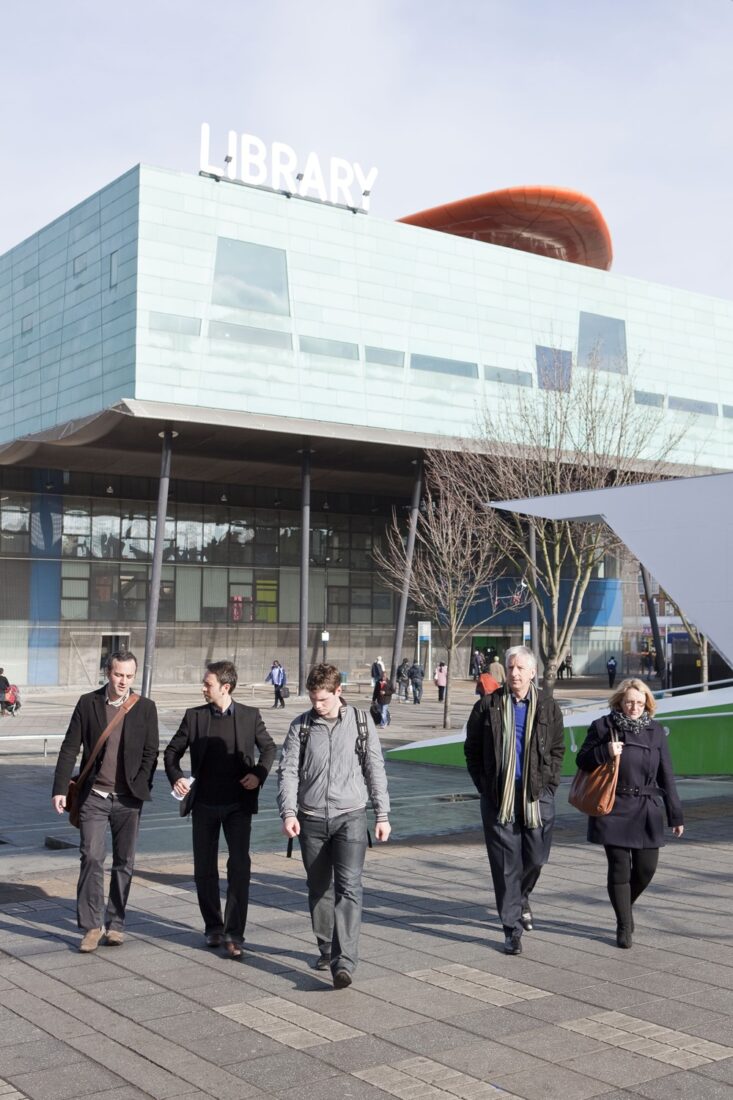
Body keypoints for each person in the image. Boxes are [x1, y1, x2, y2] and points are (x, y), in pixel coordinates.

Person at [277, 663, 391, 988]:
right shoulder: (301, 726)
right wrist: (288, 813)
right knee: (319, 887)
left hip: (351, 817)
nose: (317, 705)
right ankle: (327, 947)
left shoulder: (360, 722)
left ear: (338, 691)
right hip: (310, 819)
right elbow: (287, 772)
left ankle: (344, 963)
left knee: (350, 887)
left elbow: (375, 768)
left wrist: (382, 814)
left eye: (323, 699)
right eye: (313, 699)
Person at [164, 661, 275, 959]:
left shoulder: (250, 716)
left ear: (225, 687)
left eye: (208, 684)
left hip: (238, 805)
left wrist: (259, 774)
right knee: (204, 869)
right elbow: (172, 752)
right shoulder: (194, 717)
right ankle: (213, 926)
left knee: (239, 867)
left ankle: (234, 933)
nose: (203, 688)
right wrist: (176, 777)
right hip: (203, 804)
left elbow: (269, 748)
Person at [51, 651, 159, 952]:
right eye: (118, 674)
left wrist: (142, 784)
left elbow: (151, 752)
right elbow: (70, 747)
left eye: (129, 676)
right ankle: (91, 927)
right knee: (91, 857)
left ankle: (116, 924)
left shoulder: (145, 708)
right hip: (94, 796)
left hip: (128, 799)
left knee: (124, 862)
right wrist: (59, 789)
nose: (123, 681)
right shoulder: (88, 703)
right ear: (107, 673)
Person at [464, 645, 565, 956]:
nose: (515, 673)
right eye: (510, 668)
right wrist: (485, 787)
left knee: (536, 857)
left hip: (537, 796)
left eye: (521, 668)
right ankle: (511, 929)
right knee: (506, 865)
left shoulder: (548, 706)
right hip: (500, 799)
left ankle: (521, 898)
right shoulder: (488, 706)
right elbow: (472, 751)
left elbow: (557, 750)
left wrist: (549, 785)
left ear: (533, 672)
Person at [575, 678, 684, 948]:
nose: (634, 707)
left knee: (646, 868)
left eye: (639, 703)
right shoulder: (604, 726)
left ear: (647, 704)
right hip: (613, 807)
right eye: (629, 702)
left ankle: (625, 906)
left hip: (647, 808)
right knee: (619, 868)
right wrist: (605, 751)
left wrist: (676, 814)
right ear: (620, 702)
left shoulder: (655, 731)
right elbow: (582, 760)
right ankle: (624, 924)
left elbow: (666, 774)